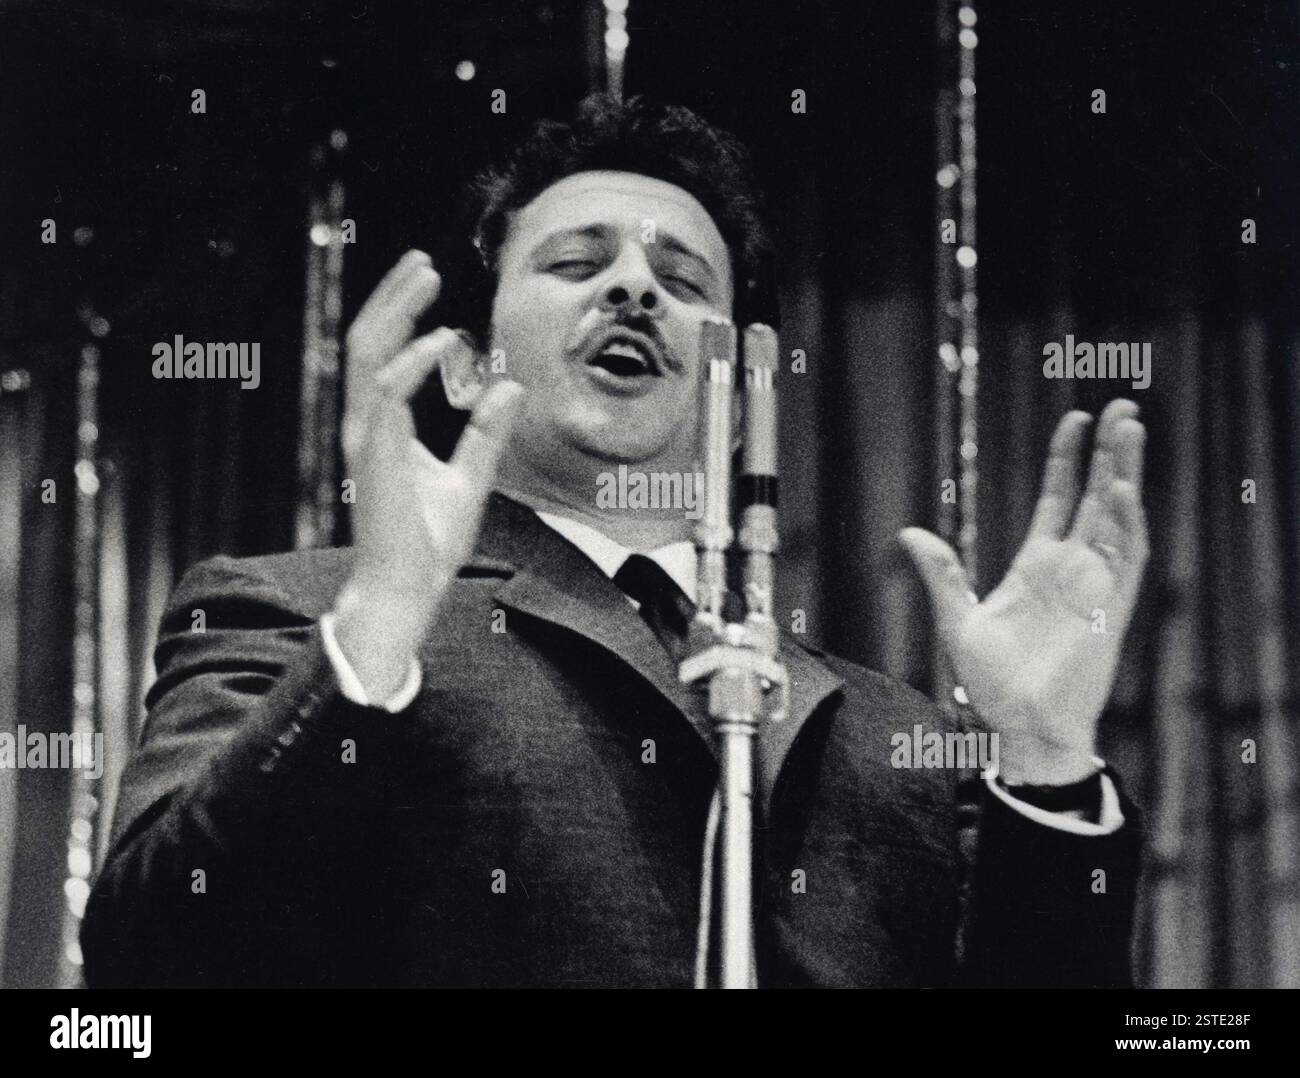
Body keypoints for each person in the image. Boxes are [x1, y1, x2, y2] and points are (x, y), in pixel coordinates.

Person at [82, 93, 1149, 988]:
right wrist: (375, 629)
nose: (633, 287)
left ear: (745, 387)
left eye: (684, 282)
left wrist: (1049, 768)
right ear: (463, 366)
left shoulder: (892, 730)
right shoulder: (304, 612)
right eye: (574, 263)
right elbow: (153, 956)